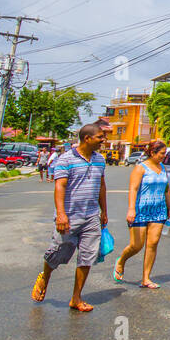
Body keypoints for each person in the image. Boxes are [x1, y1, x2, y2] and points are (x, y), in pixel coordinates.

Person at [32, 124, 107, 313]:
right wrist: (61, 214)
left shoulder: (100, 160)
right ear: (87, 138)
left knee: (87, 257)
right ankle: (45, 276)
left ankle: (76, 298)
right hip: (70, 217)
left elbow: (101, 186)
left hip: (91, 217)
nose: (103, 140)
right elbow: (60, 187)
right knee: (57, 253)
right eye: (100, 137)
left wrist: (103, 211)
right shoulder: (65, 159)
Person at [113, 138, 170, 289]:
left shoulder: (163, 168)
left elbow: (166, 189)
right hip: (141, 210)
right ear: (152, 153)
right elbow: (133, 189)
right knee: (136, 245)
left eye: (164, 153)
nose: (163, 156)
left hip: (158, 210)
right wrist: (131, 209)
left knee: (152, 244)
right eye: (161, 153)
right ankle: (121, 261)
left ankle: (146, 278)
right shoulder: (141, 168)